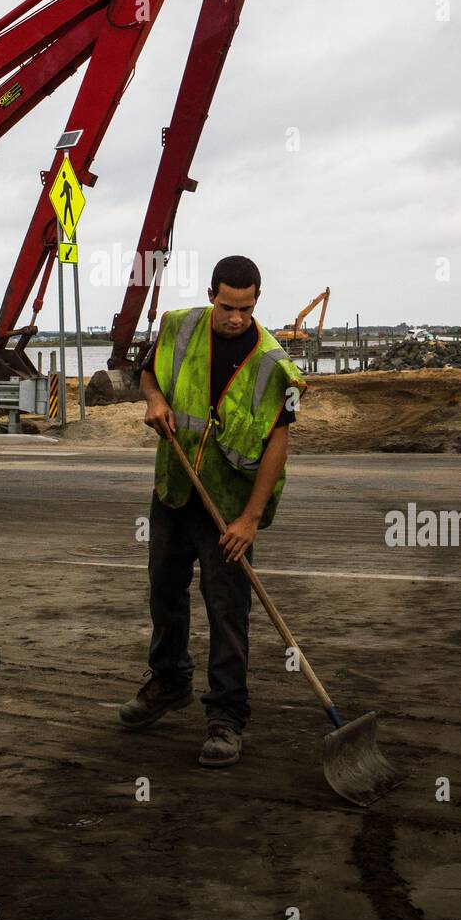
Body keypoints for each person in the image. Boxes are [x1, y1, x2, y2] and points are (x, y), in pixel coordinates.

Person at [118, 255, 305, 767]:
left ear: (257, 301)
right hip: (175, 489)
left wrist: (249, 520)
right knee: (164, 592)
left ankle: (226, 717)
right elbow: (147, 377)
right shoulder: (178, 328)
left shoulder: (274, 365)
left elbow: (277, 445)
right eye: (227, 306)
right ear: (211, 295)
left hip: (227, 508)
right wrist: (153, 401)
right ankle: (168, 683)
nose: (236, 318)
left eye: (245, 308)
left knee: (227, 611)